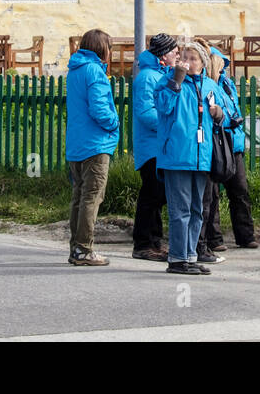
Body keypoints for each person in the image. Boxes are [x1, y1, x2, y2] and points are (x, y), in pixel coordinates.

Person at [155, 40, 224, 275]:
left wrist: (219, 114)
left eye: (193, 58)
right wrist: (177, 80)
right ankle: (177, 258)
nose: (187, 62)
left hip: (201, 157)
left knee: (197, 210)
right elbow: (162, 107)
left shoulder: (210, 86)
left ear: (203, 63)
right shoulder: (169, 82)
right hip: (177, 157)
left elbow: (225, 116)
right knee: (180, 210)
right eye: (183, 57)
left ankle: (190, 256)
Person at [64, 28, 121, 267]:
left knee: (79, 197)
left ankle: (76, 247)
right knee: (92, 198)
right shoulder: (95, 72)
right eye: (109, 47)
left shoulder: (75, 70)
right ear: (102, 49)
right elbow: (99, 109)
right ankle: (84, 248)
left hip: (77, 144)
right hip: (95, 144)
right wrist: (114, 122)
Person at [197, 44, 257, 262]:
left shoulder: (228, 84)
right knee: (212, 193)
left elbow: (234, 111)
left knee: (240, 189)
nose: (224, 67)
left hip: (234, 142)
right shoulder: (209, 85)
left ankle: (245, 235)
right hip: (216, 141)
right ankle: (214, 238)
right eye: (221, 63)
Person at [131, 32, 179, 261]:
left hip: (158, 146)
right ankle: (143, 243)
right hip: (150, 146)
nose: (177, 55)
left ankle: (155, 241)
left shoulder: (157, 74)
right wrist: (169, 125)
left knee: (158, 195)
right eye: (174, 52)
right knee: (151, 195)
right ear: (163, 55)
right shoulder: (148, 77)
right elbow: (145, 113)